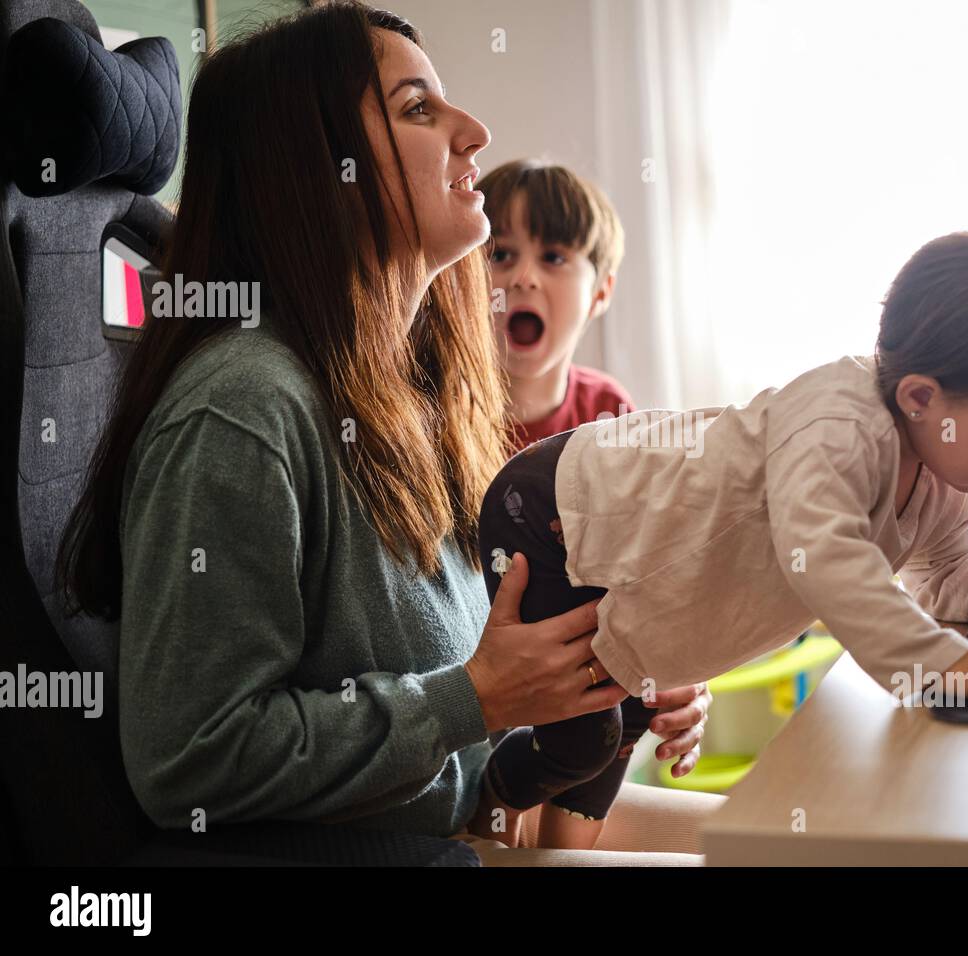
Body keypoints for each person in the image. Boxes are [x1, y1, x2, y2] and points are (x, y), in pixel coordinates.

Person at [57, 0, 716, 867]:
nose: (475, 131)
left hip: (469, 816)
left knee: (810, 838)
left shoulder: (414, 395)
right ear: (314, 167)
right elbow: (189, 764)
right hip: (409, 850)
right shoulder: (244, 410)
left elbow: (471, 719)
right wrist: (473, 700)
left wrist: (610, 677)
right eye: (418, 109)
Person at [471, 229, 968, 850]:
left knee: (623, 699)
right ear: (921, 396)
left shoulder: (939, 463)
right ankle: (494, 798)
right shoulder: (837, 423)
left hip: (627, 571)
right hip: (554, 510)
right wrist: (941, 664)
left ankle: (566, 851)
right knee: (585, 728)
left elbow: (943, 567)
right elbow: (830, 563)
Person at [478, 159, 635, 452]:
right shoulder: (430, 411)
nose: (524, 278)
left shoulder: (608, 411)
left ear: (600, 292)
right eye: (500, 256)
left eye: (553, 258)